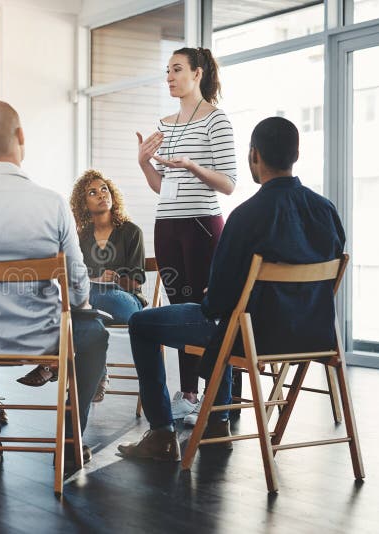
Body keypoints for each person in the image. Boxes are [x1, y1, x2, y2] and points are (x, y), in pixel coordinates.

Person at [118, 117, 345, 461]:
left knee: (145, 323)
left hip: (254, 337)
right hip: (315, 335)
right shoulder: (326, 210)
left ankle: (162, 434)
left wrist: (214, 294)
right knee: (228, 317)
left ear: (254, 155)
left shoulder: (246, 216)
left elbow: (218, 303)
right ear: (296, 154)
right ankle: (216, 423)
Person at [0, 100, 108, 465]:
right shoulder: (52, 204)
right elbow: (78, 286)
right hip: (43, 339)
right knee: (94, 332)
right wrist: (80, 307)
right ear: (21, 136)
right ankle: (71, 439)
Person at [135, 46, 238, 425]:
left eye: (177, 69)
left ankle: (217, 397)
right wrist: (143, 163)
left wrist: (193, 166)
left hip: (202, 226)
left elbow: (228, 184)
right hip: (167, 226)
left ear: (197, 73)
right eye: (167, 71)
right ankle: (189, 395)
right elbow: (161, 187)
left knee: (206, 311)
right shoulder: (164, 125)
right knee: (179, 310)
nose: (169, 77)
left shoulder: (216, 120)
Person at [17, 169, 145, 404]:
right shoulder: (80, 237)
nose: (101, 194)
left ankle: (53, 361)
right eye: (92, 192)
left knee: (78, 301)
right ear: (83, 204)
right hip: (91, 304)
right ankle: (99, 376)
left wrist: (114, 280)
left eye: (104, 189)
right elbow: (71, 274)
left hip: (126, 302)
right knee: (87, 313)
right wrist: (95, 280)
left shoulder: (131, 232)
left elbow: (135, 282)